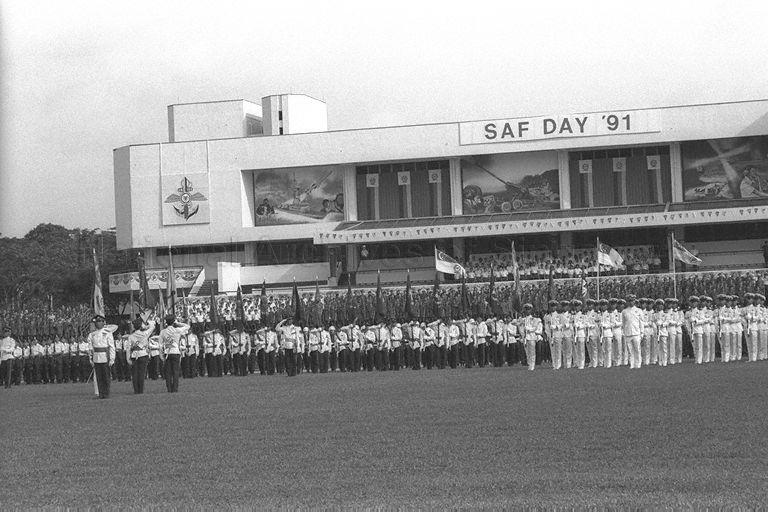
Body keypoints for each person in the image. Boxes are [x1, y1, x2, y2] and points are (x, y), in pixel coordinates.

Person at [88, 315, 116, 399]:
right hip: (96, 357)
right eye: (97, 322)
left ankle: (106, 393)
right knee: (99, 377)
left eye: (100, 321)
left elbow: (111, 346)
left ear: (103, 323)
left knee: (106, 376)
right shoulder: (92, 334)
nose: (98, 323)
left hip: (105, 356)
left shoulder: (107, 332)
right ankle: (101, 393)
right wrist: (90, 358)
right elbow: (90, 348)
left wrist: (112, 358)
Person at [160, 315, 190, 392]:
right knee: (175, 371)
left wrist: (161, 355)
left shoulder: (163, 332)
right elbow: (187, 326)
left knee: (168, 372)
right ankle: (175, 388)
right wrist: (178, 323)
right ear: (173, 322)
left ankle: (169, 388)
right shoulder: (177, 330)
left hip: (167, 352)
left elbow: (160, 345)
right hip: (175, 351)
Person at [127, 315, 155, 394]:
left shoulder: (131, 336)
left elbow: (128, 348)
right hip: (143, 354)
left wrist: (128, 358)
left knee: (135, 374)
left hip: (134, 355)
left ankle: (136, 390)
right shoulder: (145, 333)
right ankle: (141, 390)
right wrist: (146, 324)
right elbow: (153, 326)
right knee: (142, 373)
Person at [621, 295, 644, 369]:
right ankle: (632, 364)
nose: (631, 302)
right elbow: (623, 323)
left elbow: (641, 322)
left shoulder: (639, 310)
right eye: (630, 301)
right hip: (628, 333)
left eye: (633, 300)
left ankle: (638, 363)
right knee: (630, 350)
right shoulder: (624, 311)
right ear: (627, 302)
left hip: (636, 332)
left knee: (637, 349)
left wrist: (642, 333)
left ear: (635, 301)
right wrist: (624, 332)